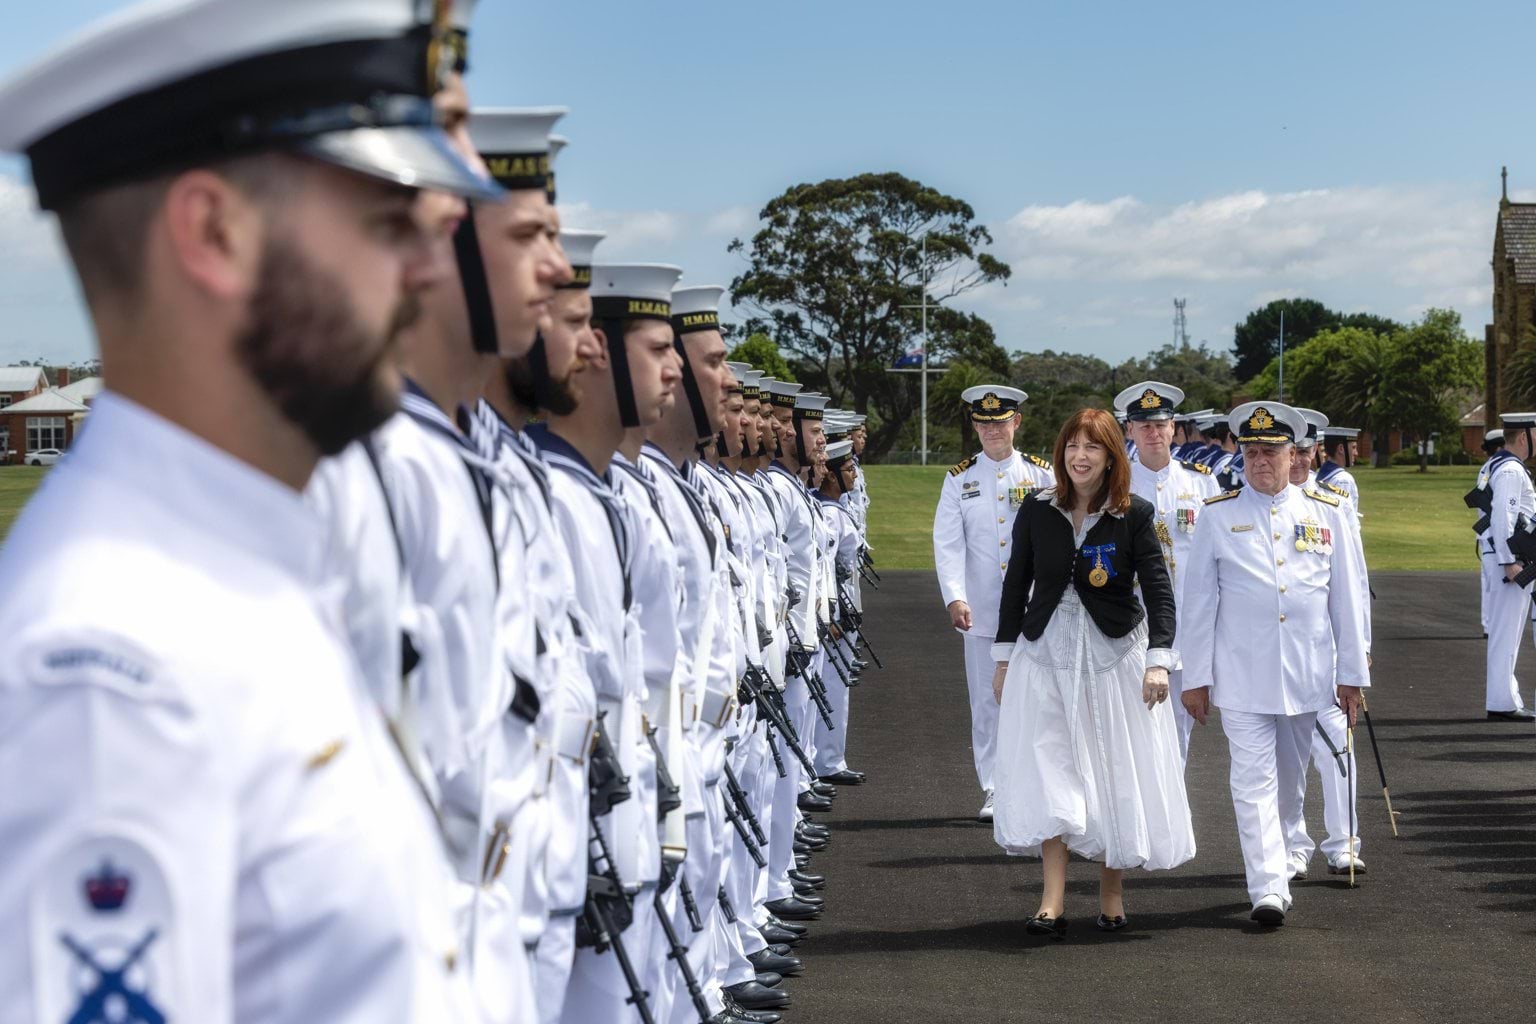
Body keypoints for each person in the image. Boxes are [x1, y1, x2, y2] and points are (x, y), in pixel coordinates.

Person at [0, 0, 502, 1018]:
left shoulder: (239, 570)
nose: (426, 266)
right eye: (384, 223)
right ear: (215, 232)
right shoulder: (112, 671)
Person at [989, 407, 1192, 937]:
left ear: (1110, 457)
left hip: (1114, 658)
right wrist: (1004, 657)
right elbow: (1016, 587)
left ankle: (1111, 894)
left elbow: (1160, 595)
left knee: (1112, 770)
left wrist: (1159, 663)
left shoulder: (1135, 515)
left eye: (1093, 448)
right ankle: (1051, 901)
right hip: (1046, 656)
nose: (1080, 457)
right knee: (1049, 769)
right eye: (1073, 446)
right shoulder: (1036, 509)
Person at [1181, 402, 1369, 926]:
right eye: (1251, 451)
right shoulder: (1219, 515)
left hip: (1308, 676)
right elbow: (1198, 605)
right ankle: (1267, 888)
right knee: (1251, 780)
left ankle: (1290, 851)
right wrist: (1195, 678)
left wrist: (1352, 675)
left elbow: (1347, 601)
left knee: (1291, 780)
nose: (1259, 461)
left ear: (1295, 454)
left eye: (1270, 451)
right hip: (1241, 676)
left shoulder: (1327, 511)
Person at [932, 384, 1053, 820]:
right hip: (982, 608)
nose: (991, 430)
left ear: (1016, 422)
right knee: (988, 702)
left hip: (1039, 609)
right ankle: (995, 788)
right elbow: (948, 543)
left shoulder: (1042, 475)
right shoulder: (959, 477)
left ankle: (1039, 786)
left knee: (1042, 700)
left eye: (999, 422)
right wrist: (955, 597)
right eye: (983, 423)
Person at [1116, 381, 1220, 761]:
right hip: (1132, 620)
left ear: (1174, 427)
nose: (1153, 433)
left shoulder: (1201, 480)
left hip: (1188, 621)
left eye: (1160, 425)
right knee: (1131, 721)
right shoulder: (1117, 482)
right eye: (1143, 426)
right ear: (1129, 430)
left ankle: (1173, 813)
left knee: (1179, 723)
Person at [1480, 413, 1536, 720]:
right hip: (1510, 561)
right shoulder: (1512, 470)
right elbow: (1503, 516)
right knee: (1507, 632)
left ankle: (1506, 698)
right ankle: (1502, 702)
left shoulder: (1495, 464)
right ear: (1524, 436)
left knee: (1506, 632)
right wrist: (1509, 561)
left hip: (1497, 555)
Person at [1474, 430, 1505, 638]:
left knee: (1489, 583)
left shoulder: (1489, 468)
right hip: (1493, 534)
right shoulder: (1494, 468)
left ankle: (1488, 624)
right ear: (1500, 447)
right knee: (1494, 583)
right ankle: (1490, 625)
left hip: (1488, 534)